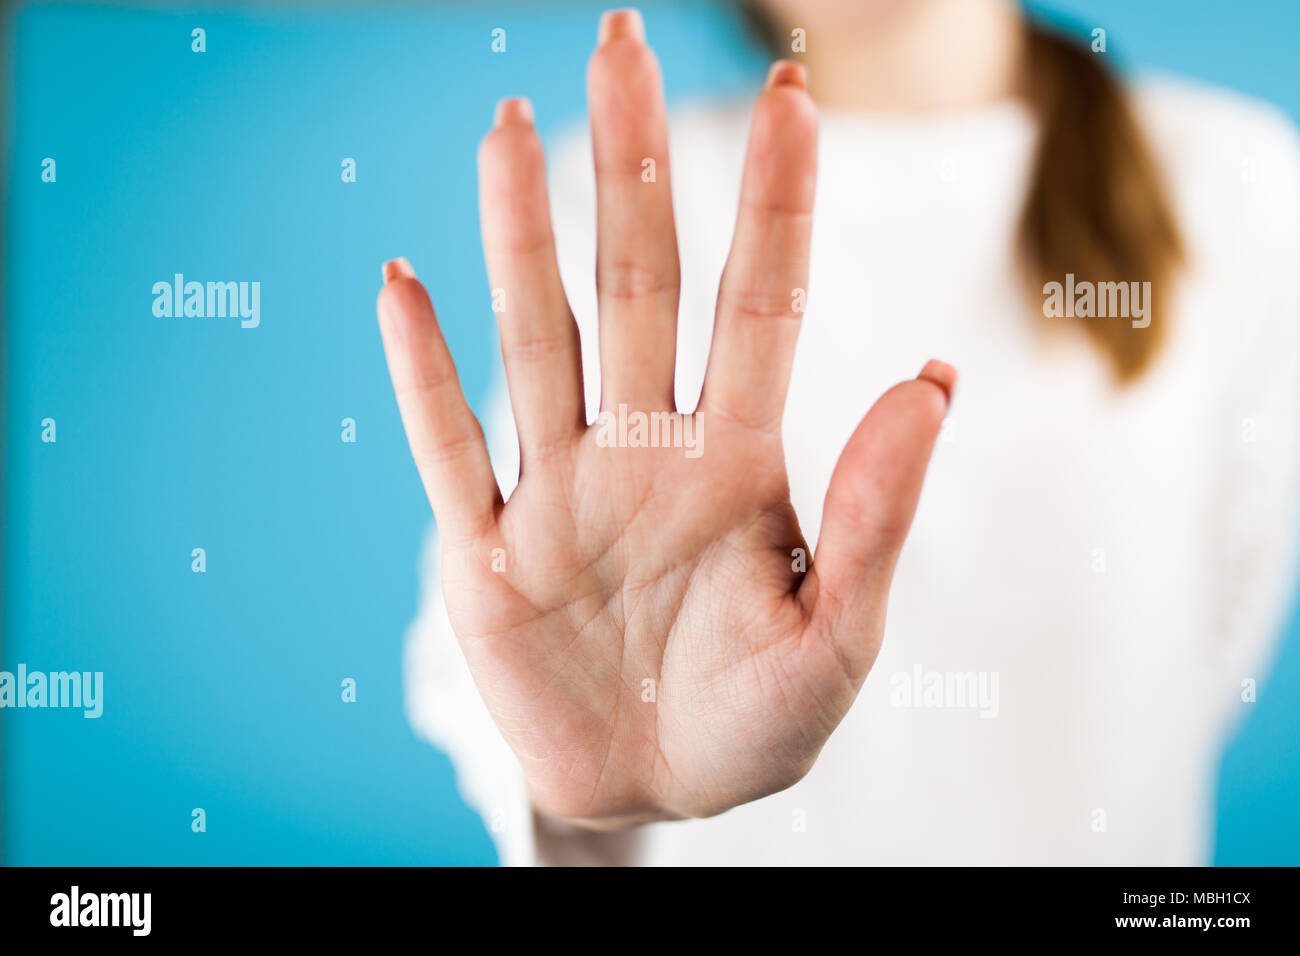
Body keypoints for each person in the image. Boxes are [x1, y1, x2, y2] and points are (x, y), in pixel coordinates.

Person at [376, 2, 1300, 865]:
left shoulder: (1244, 182)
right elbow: (501, 628)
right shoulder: (635, 189)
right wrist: (586, 792)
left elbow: (1211, 636)